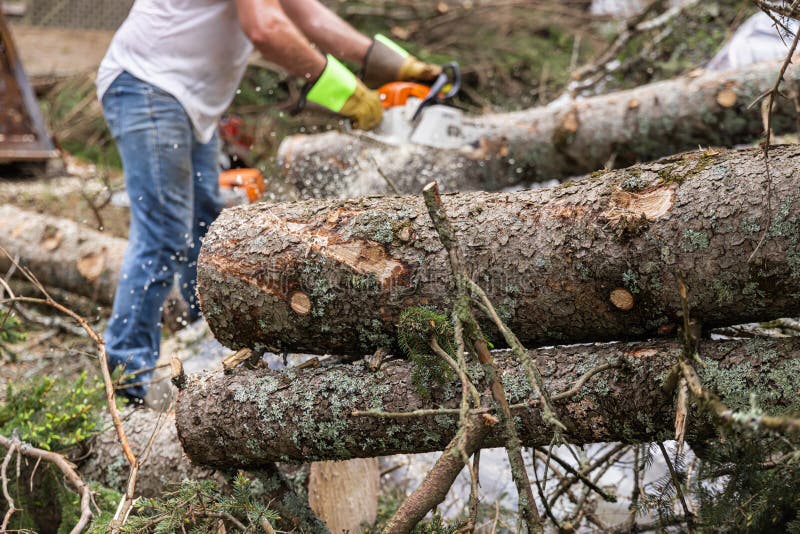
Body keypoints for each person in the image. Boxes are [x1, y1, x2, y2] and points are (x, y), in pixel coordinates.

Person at [96, 0, 442, 403]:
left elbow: (310, 17)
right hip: (147, 85)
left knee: (207, 224)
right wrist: (347, 93)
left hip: (186, 101)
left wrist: (390, 64)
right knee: (163, 234)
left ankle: (201, 340)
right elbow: (267, 29)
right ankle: (127, 377)